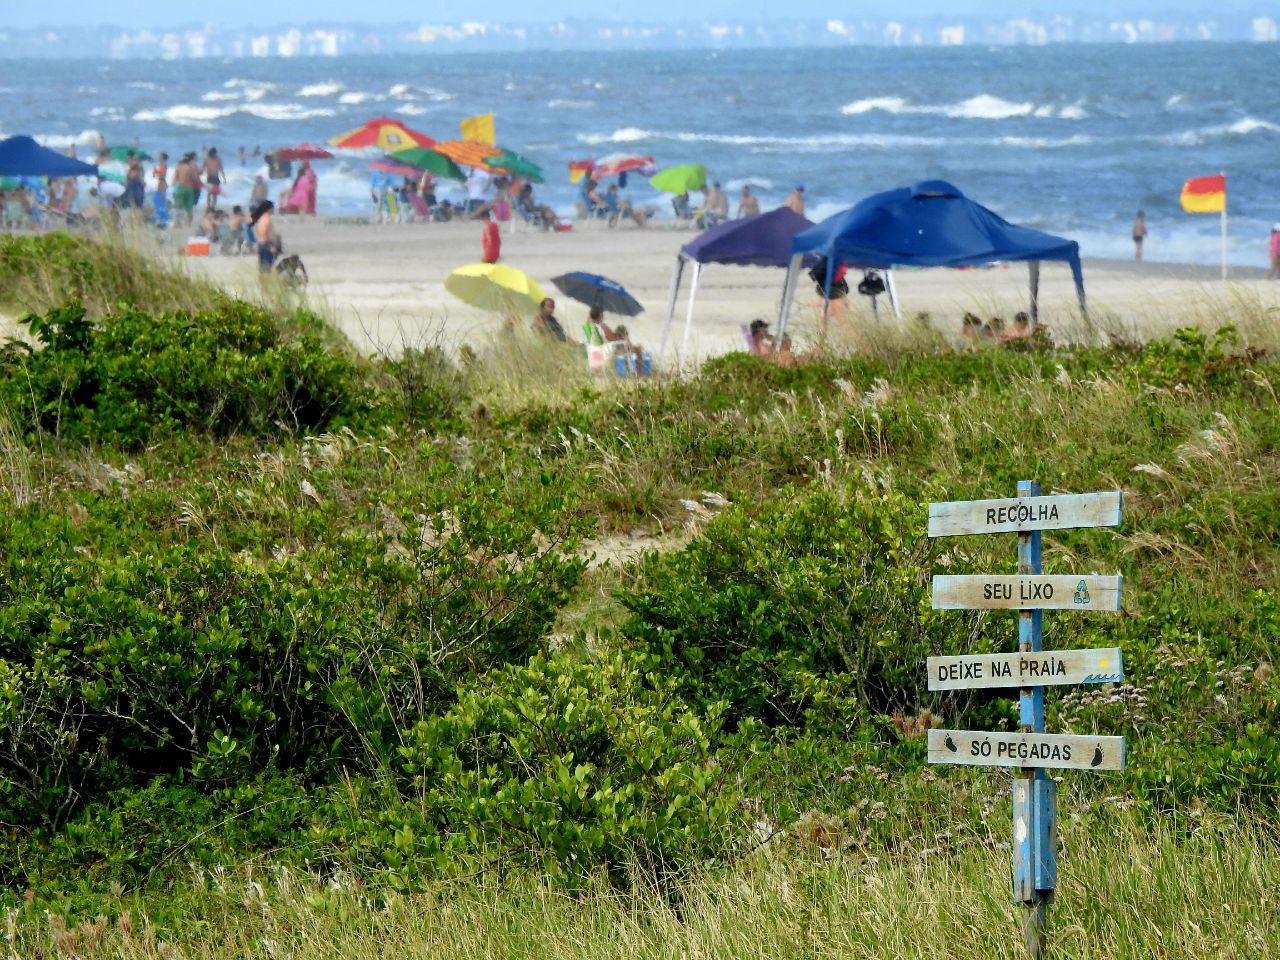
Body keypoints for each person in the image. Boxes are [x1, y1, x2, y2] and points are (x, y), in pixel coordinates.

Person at [251, 199, 280, 275]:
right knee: (268, 268)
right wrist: (273, 245)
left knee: (262, 268)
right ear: (269, 208)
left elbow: (257, 232)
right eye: (273, 207)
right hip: (267, 245)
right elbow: (269, 234)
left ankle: (262, 285)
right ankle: (266, 285)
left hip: (260, 244)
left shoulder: (259, 219)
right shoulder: (267, 219)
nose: (274, 209)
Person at [171, 154, 201, 226]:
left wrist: (173, 187)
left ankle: (177, 222)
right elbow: (195, 179)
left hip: (180, 188)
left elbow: (174, 179)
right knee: (189, 207)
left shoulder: (178, 167)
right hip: (189, 188)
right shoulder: (190, 168)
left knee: (178, 206)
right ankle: (188, 223)